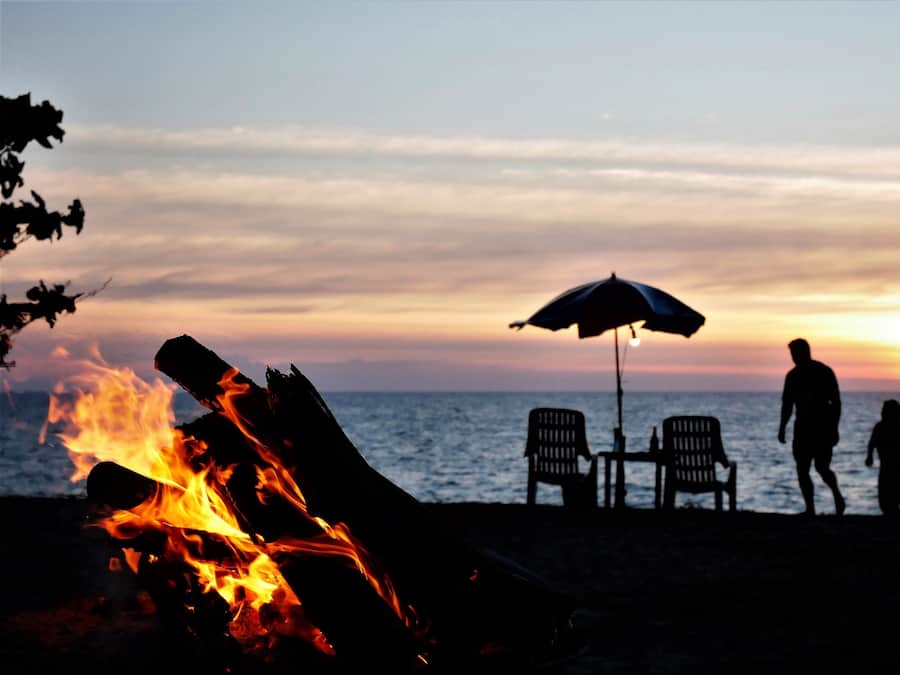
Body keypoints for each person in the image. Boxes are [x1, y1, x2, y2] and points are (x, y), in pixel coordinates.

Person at [777, 338, 845, 515]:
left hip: (822, 427)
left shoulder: (823, 372)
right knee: (803, 469)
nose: (793, 357)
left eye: (796, 353)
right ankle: (810, 508)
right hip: (803, 429)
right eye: (792, 354)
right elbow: (787, 405)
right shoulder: (793, 376)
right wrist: (782, 427)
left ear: (805, 352)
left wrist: (834, 427)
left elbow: (836, 402)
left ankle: (836, 496)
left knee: (821, 468)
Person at [865, 399, 900, 515]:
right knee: (885, 496)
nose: (882, 413)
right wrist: (869, 456)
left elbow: (871, 444)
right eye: (882, 411)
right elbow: (872, 443)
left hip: (894, 466)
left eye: (884, 411)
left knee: (892, 494)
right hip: (885, 466)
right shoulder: (879, 427)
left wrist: (869, 456)